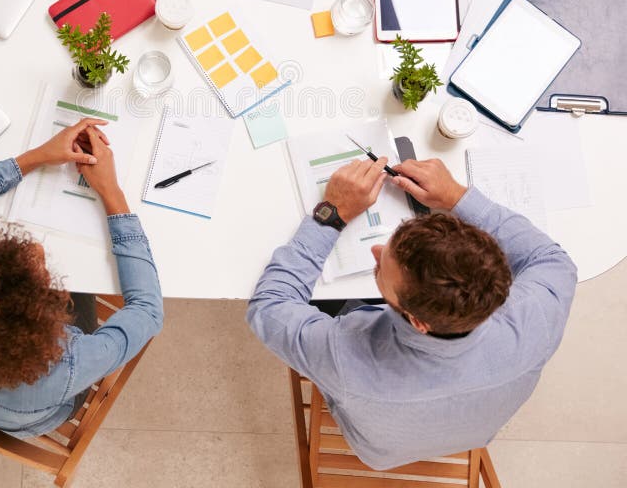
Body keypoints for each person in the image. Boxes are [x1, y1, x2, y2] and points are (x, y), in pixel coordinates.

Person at [247, 155, 577, 469]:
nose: (376, 251)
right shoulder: (538, 319)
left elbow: (270, 305)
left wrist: (332, 213)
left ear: (418, 321)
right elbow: (553, 261)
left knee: (330, 302)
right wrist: (456, 195)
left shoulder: (346, 356)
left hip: (377, 451)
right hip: (472, 433)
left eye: (381, 268)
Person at [0, 118, 163, 438]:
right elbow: (148, 309)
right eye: (40, 276)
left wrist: (35, 157)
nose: (36, 248)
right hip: (38, 416)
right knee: (83, 284)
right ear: (38, 321)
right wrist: (112, 192)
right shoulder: (68, 365)